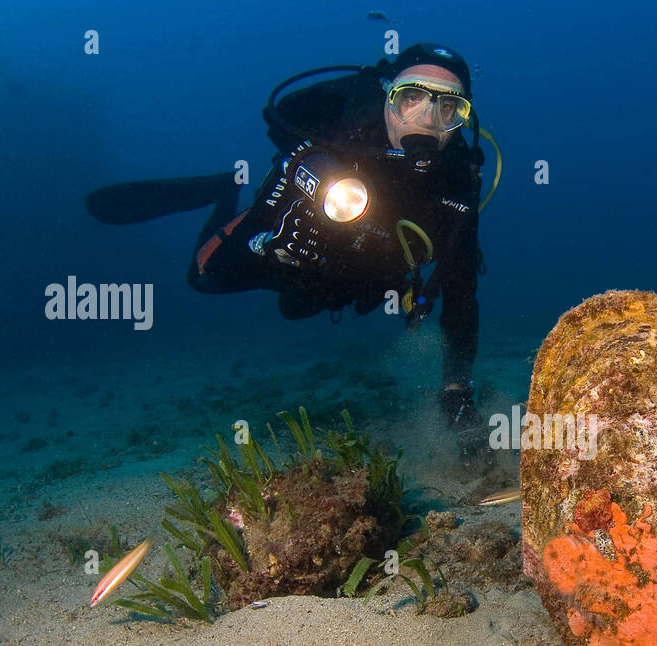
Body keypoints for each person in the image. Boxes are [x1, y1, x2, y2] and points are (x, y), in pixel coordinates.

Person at [85, 43, 489, 458]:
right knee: (204, 277)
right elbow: (277, 120)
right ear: (387, 96)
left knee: (302, 305)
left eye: (448, 108)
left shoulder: (459, 181)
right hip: (288, 240)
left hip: (357, 278)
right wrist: (305, 176)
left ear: (463, 117)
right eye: (411, 98)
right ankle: (222, 190)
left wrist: (456, 391)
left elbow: (461, 292)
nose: (425, 119)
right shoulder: (350, 115)